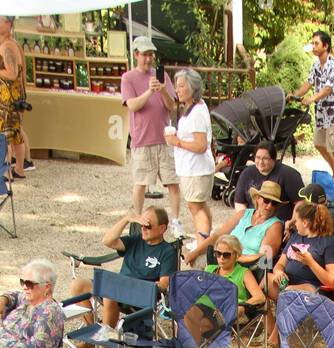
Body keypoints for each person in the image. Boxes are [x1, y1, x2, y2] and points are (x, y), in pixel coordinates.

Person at [67, 207, 179, 330]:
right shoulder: (136, 240)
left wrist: (137, 286)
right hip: (118, 286)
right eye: (141, 225)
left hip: (141, 293)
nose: (143, 228)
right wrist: (126, 219)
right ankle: (92, 331)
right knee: (77, 285)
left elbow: (163, 284)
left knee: (109, 292)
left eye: (148, 226)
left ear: (162, 228)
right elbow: (107, 241)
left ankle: (105, 340)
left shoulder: (167, 251)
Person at [266, 198, 334, 348]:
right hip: (288, 283)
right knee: (264, 283)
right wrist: (279, 272)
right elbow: (280, 263)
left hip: (313, 288)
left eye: (297, 221)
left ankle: (275, 340)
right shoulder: (296, 237)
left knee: (289, 293)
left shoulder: (328, 244)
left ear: (306, 223)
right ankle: (272, 330)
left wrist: (310, 262)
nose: (294, 224)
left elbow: (332, 281)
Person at [120, 36, 179, 225]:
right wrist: (149, 91)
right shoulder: (128, 78)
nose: (148, 59)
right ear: (136, 54)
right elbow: (133, 105)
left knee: (172, 182)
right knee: (140, 183)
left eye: (151, 55)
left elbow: (172, 106)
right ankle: (138, 219)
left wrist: (162, 90)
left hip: (164, 138)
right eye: (144, 55)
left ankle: (176, 220)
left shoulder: (162, 76)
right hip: (142, 139)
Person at [289, 30, 334, 187]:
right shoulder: (315, 65)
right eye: (312, 43)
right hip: (322, 113)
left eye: (316, 43)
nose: (313, 46)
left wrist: (311, 99)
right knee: (318, 143)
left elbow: (328, 89)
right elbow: (308, 84)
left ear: (325, 46)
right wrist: (293, 95)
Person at [186, 180, 285, 269]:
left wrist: (235, 258)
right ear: (258, 199)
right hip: (224, 257)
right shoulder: (244, 213)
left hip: (246, 268)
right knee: (197, 260)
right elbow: (217, 235)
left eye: (274, 203)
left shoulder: (275, 225)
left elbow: (264, 258)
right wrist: (195, 252)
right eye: (266, 200)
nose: (269, 206)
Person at [0, 261, 64, 348]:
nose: (25, 287)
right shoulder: (28, 298)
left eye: (29, 283)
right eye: (23, 282)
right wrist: (1, 301)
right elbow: (14, 295)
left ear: (47, 287)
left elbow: (37, 347)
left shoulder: (49, 312)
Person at [165, 68, 215, 239]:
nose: (177, 90)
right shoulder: (193, 107)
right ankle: (205, 238)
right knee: (199, 205)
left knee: (195, 207)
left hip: (196, 169)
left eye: (180, 86)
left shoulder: (197, 113)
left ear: (192, 88)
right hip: (193, 168)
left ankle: (202, 242)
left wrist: (177, 142)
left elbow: (200, 145)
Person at [0, 17, 26, 180]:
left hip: (7, 98)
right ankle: (19, 169)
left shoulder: (8, 46)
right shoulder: (9, 43)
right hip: (13, 97)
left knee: (3, 135)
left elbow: (12, 73)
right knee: (16, 134)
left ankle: (6, 172)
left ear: (8, 24)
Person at [233, 142, 303, 220]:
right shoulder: (246, 173)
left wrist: (292, 222)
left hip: (280, 223)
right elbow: (240, 203)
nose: (260, 162)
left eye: (265, 158)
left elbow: (301, 203)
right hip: (253, 221)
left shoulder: (289, 175)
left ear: (274, 159)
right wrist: (246, 221)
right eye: (258, 157)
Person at [207, 235, 265, 317]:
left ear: (236, 255)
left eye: (226, 255)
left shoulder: (243, 273)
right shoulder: (209, 269)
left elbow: (260, 297)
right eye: (218, 253)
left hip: (228, 313)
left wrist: (241, 307)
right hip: (206, 309)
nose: (221, 258)